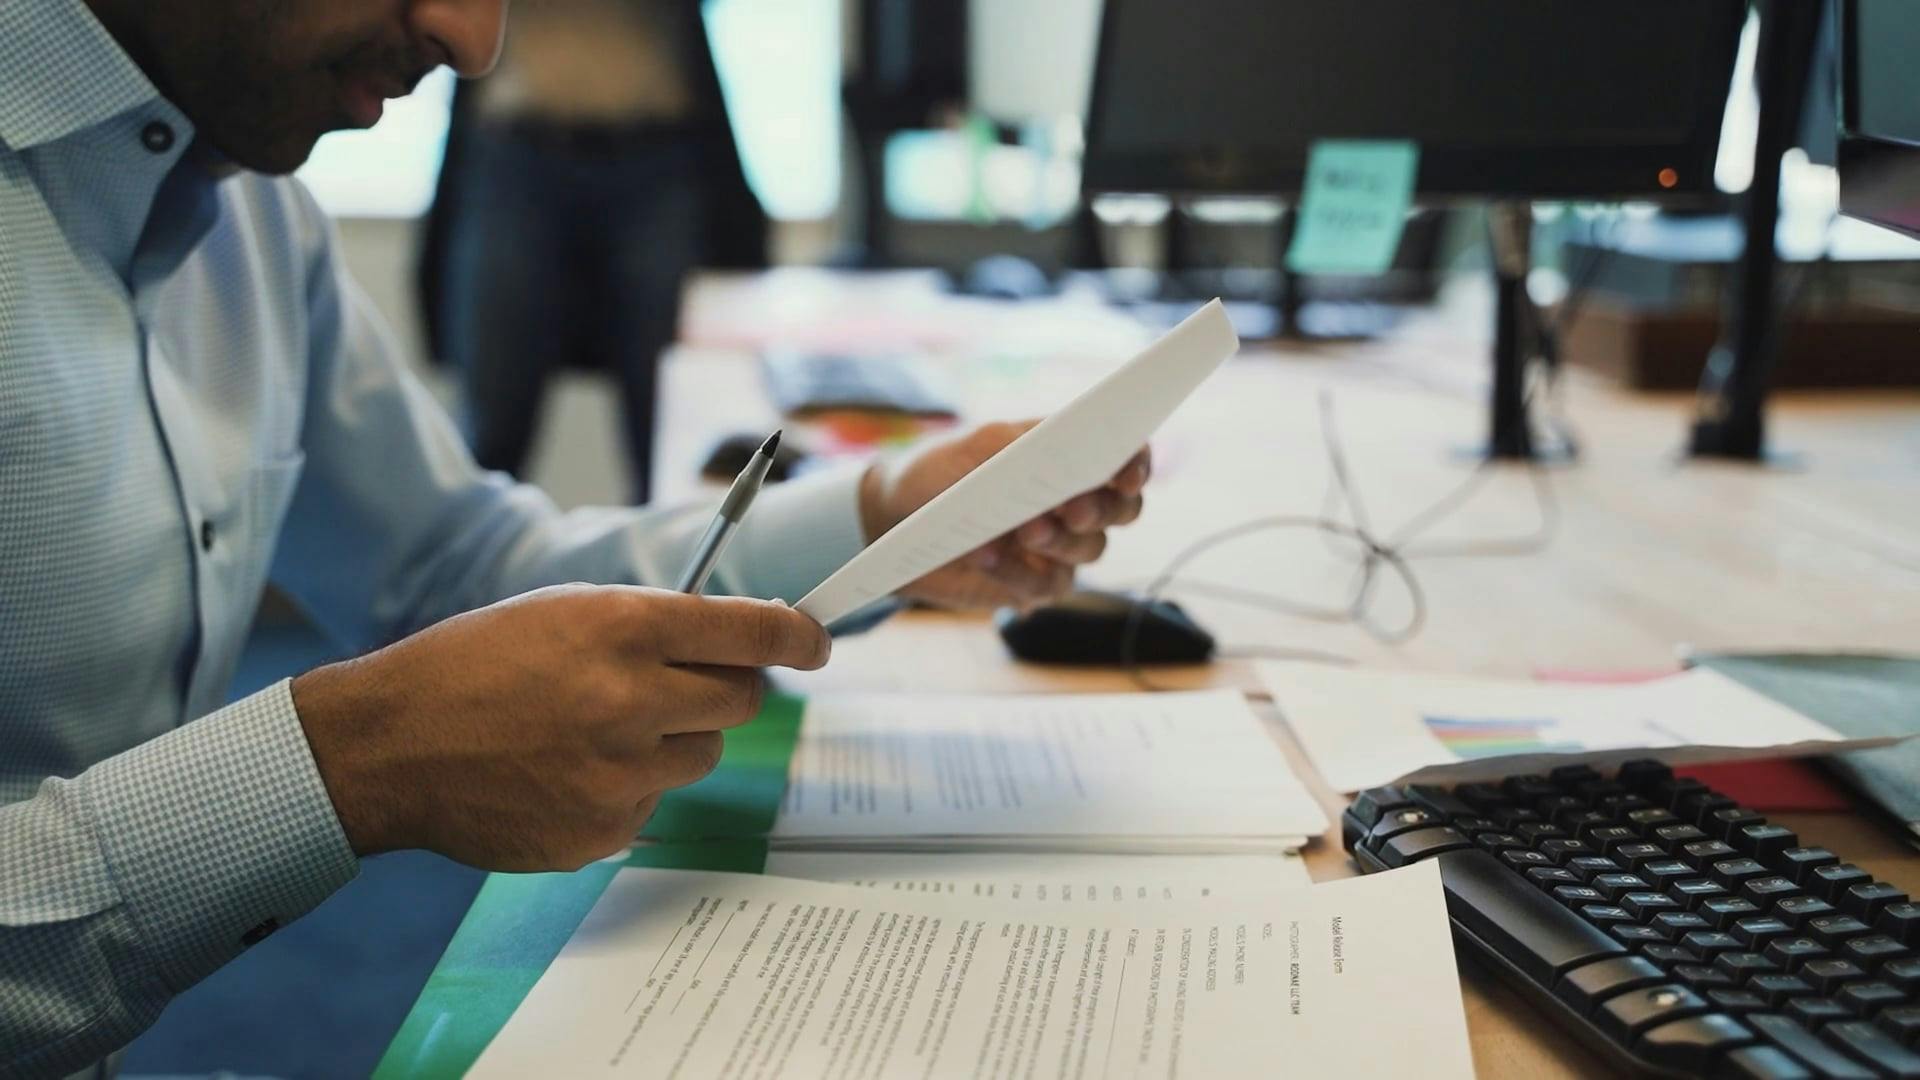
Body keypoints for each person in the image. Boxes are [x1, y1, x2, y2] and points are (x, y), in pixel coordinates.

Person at [0, 1, 1150, 1075]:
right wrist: (348, 766)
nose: (473, 38)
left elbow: (457, 570)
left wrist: (883, 514)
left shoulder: (249, 207)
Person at [417, 0, 762, 501]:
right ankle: (471, 583)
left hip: (657, 159)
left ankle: (670, 577)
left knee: (669, 432)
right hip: (515, 157)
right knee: (491, 431)